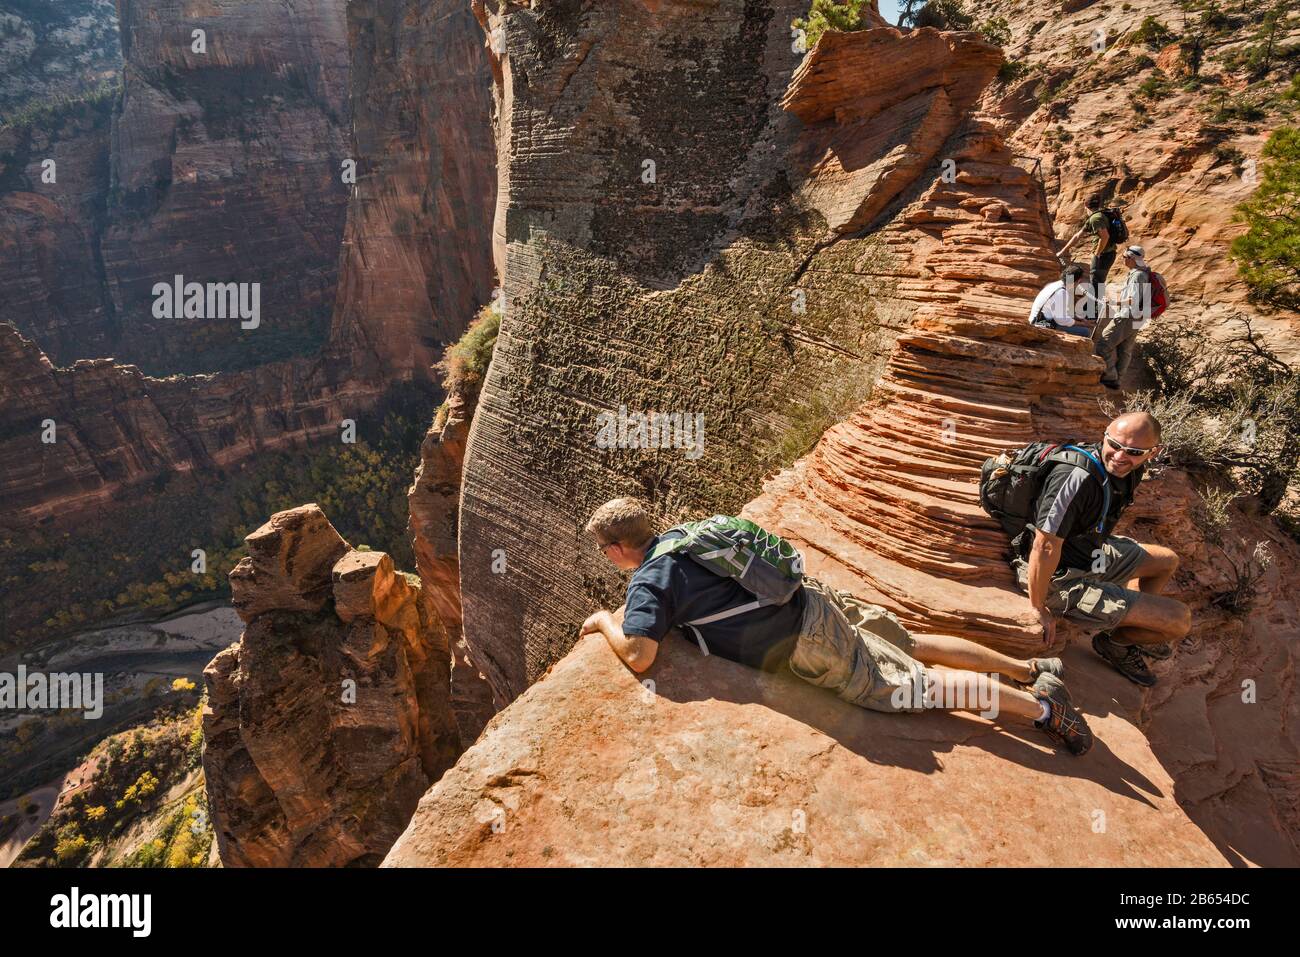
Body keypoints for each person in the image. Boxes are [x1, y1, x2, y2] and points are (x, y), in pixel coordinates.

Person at [579, 498, 1095, 755]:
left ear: (619, 548)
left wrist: (606, 621)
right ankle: (1032, 669)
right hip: (817, 600)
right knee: (912, 645)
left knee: (911, 687)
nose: (609, 558)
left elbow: (641, 655)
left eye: (606, 552)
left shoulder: (649, 580)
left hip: (808, 639)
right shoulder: (684, 536)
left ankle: (1048, 711)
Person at [1007, 412, 1191, 687]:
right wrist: (1039, 606)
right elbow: (1045, 545)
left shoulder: (1130, 470)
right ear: (1104, 436)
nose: (1119, 456)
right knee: (1179, 621)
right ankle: (1119, 639)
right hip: (1060, 577)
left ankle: (1122, 633)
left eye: (1133, 452)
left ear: (1153, 453)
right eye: (1114, 445)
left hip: (1091, 554)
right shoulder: (1077, 477)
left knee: (1166, 560)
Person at [1096, 245, 1154, 390]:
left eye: (1125, 257)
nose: (1123, 260)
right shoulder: (1142, 272)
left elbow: (1133, 299)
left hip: (1127, 316)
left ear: (1132, 258)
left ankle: (1111, 377)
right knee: (1125, 350)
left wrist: (1113, 302)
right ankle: (1116, 381)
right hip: (1138, 317)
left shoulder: (1138, 275)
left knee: (1103, 344)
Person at [1058, 194, 1116, 321]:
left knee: (1096, 282)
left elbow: (1104, 236)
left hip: (1104, 255)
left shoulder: (1096, 218)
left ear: (1086, 206)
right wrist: (1063, 251)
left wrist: (1097, 253)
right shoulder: (1099, 215)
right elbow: (1077, 236)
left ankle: (1091, 313)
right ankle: (1091, 310)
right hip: (1108, 253)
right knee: (1097, 281)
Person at [1028, 263, 1096, 337]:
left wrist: (1080, 319)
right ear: (1078, 281)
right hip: (1042, 324)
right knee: (1085, 332)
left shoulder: (1056, 285)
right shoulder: (1061, 292)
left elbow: (1062, 312)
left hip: (1039, 320)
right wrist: (1082, 324)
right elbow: (1061, 320)